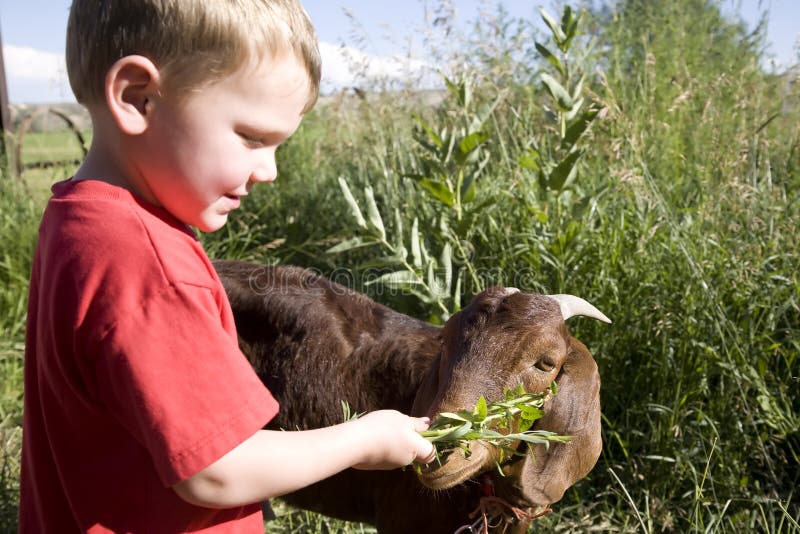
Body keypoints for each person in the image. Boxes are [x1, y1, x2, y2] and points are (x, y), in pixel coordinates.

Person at [18, 1, 435, 532]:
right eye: (252, 137)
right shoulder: (152, 263)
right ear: (137, 97)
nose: (270, 171)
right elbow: (215, 468)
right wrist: (364, 438)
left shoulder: (78, 220)